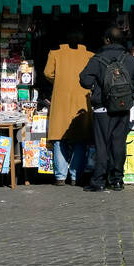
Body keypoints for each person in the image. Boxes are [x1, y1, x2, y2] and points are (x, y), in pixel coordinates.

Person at [78, 25, 134, 192]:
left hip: (102, 108)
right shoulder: (129, 59)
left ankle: (99, 181)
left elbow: (84, 81)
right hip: (123, 108)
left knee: (102, 145)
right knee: (118, 143)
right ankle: (117, 180)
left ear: (107, 40)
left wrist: (99, 85)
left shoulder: (97, 58)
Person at [43, 31, 93, 186]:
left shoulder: (56, 53)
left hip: (61, 100)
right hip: (82, 100)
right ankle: (75, 176)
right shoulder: (90, 55)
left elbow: (47, 73)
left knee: (59, 137)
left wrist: (59, 80)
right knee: (80, 139)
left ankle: (59, 176)